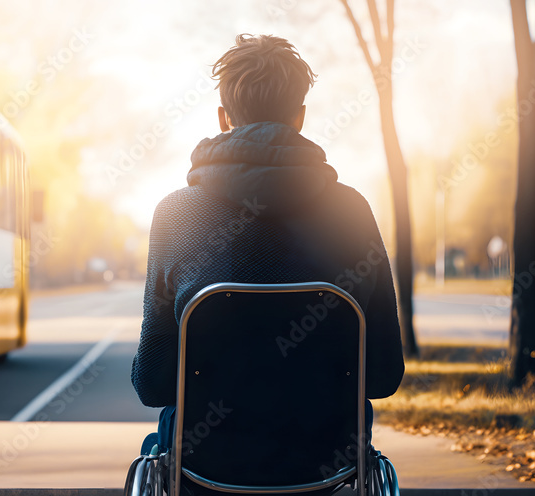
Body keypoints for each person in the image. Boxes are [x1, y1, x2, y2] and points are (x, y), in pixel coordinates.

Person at [131, 33, 405, 460]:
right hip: (326, 452)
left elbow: (152, 384)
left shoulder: (175, 215)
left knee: (155, 449)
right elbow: (384, 374)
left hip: (207, 455)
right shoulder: (351, 211)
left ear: (224, 118)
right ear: (299, 118)